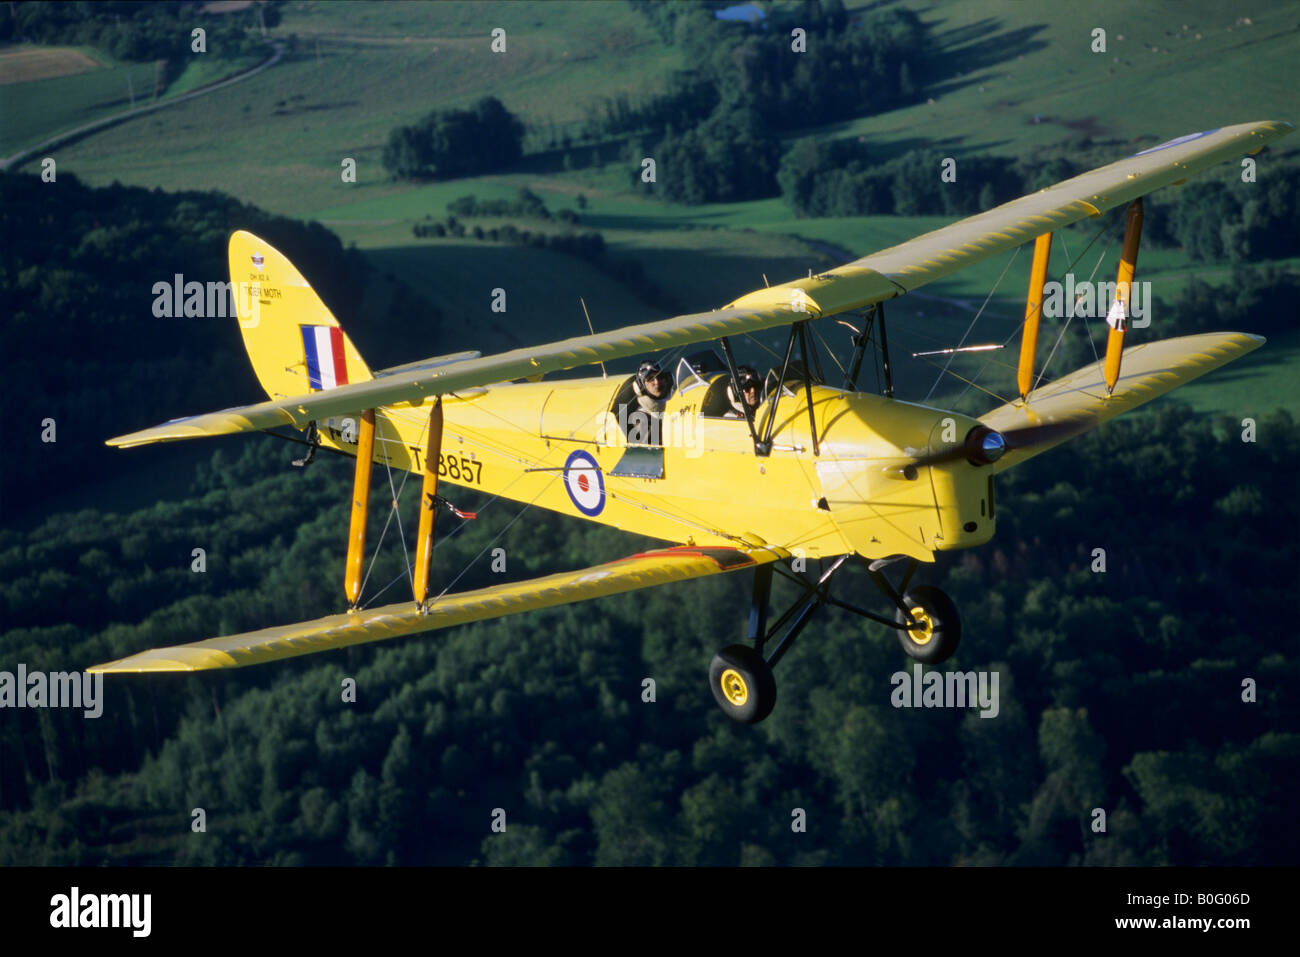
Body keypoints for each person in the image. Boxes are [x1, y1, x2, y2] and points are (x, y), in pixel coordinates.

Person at [629, 359, 671, 444]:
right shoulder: (641, 418)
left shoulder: (678, 401)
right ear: (641, 385)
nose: (657, 382)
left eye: (660, 377)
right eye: (650, 379)